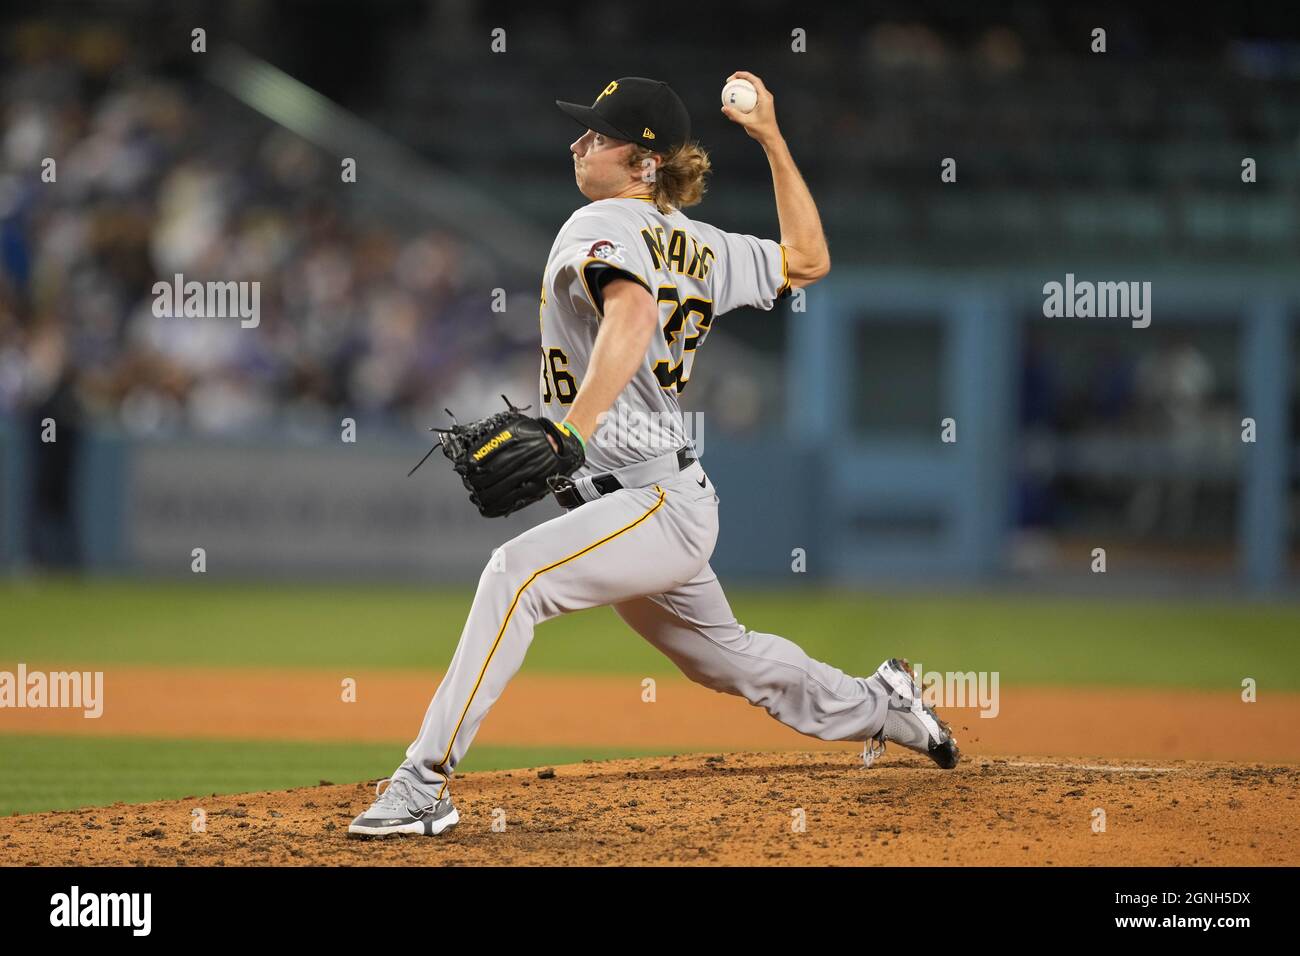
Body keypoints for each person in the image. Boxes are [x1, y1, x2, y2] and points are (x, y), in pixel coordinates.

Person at [350, 72, 958, 838]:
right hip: (655, 499)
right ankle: (885, 705)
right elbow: (808, 258)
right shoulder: (701, 244)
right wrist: (770, 137)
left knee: (515, 577)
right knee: (729, 661)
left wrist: (572, 430)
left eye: (598, 135)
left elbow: (632, 311)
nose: (578, 142)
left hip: (649, 499)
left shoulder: (598, 221)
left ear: (642, 162)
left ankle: (421, 783)